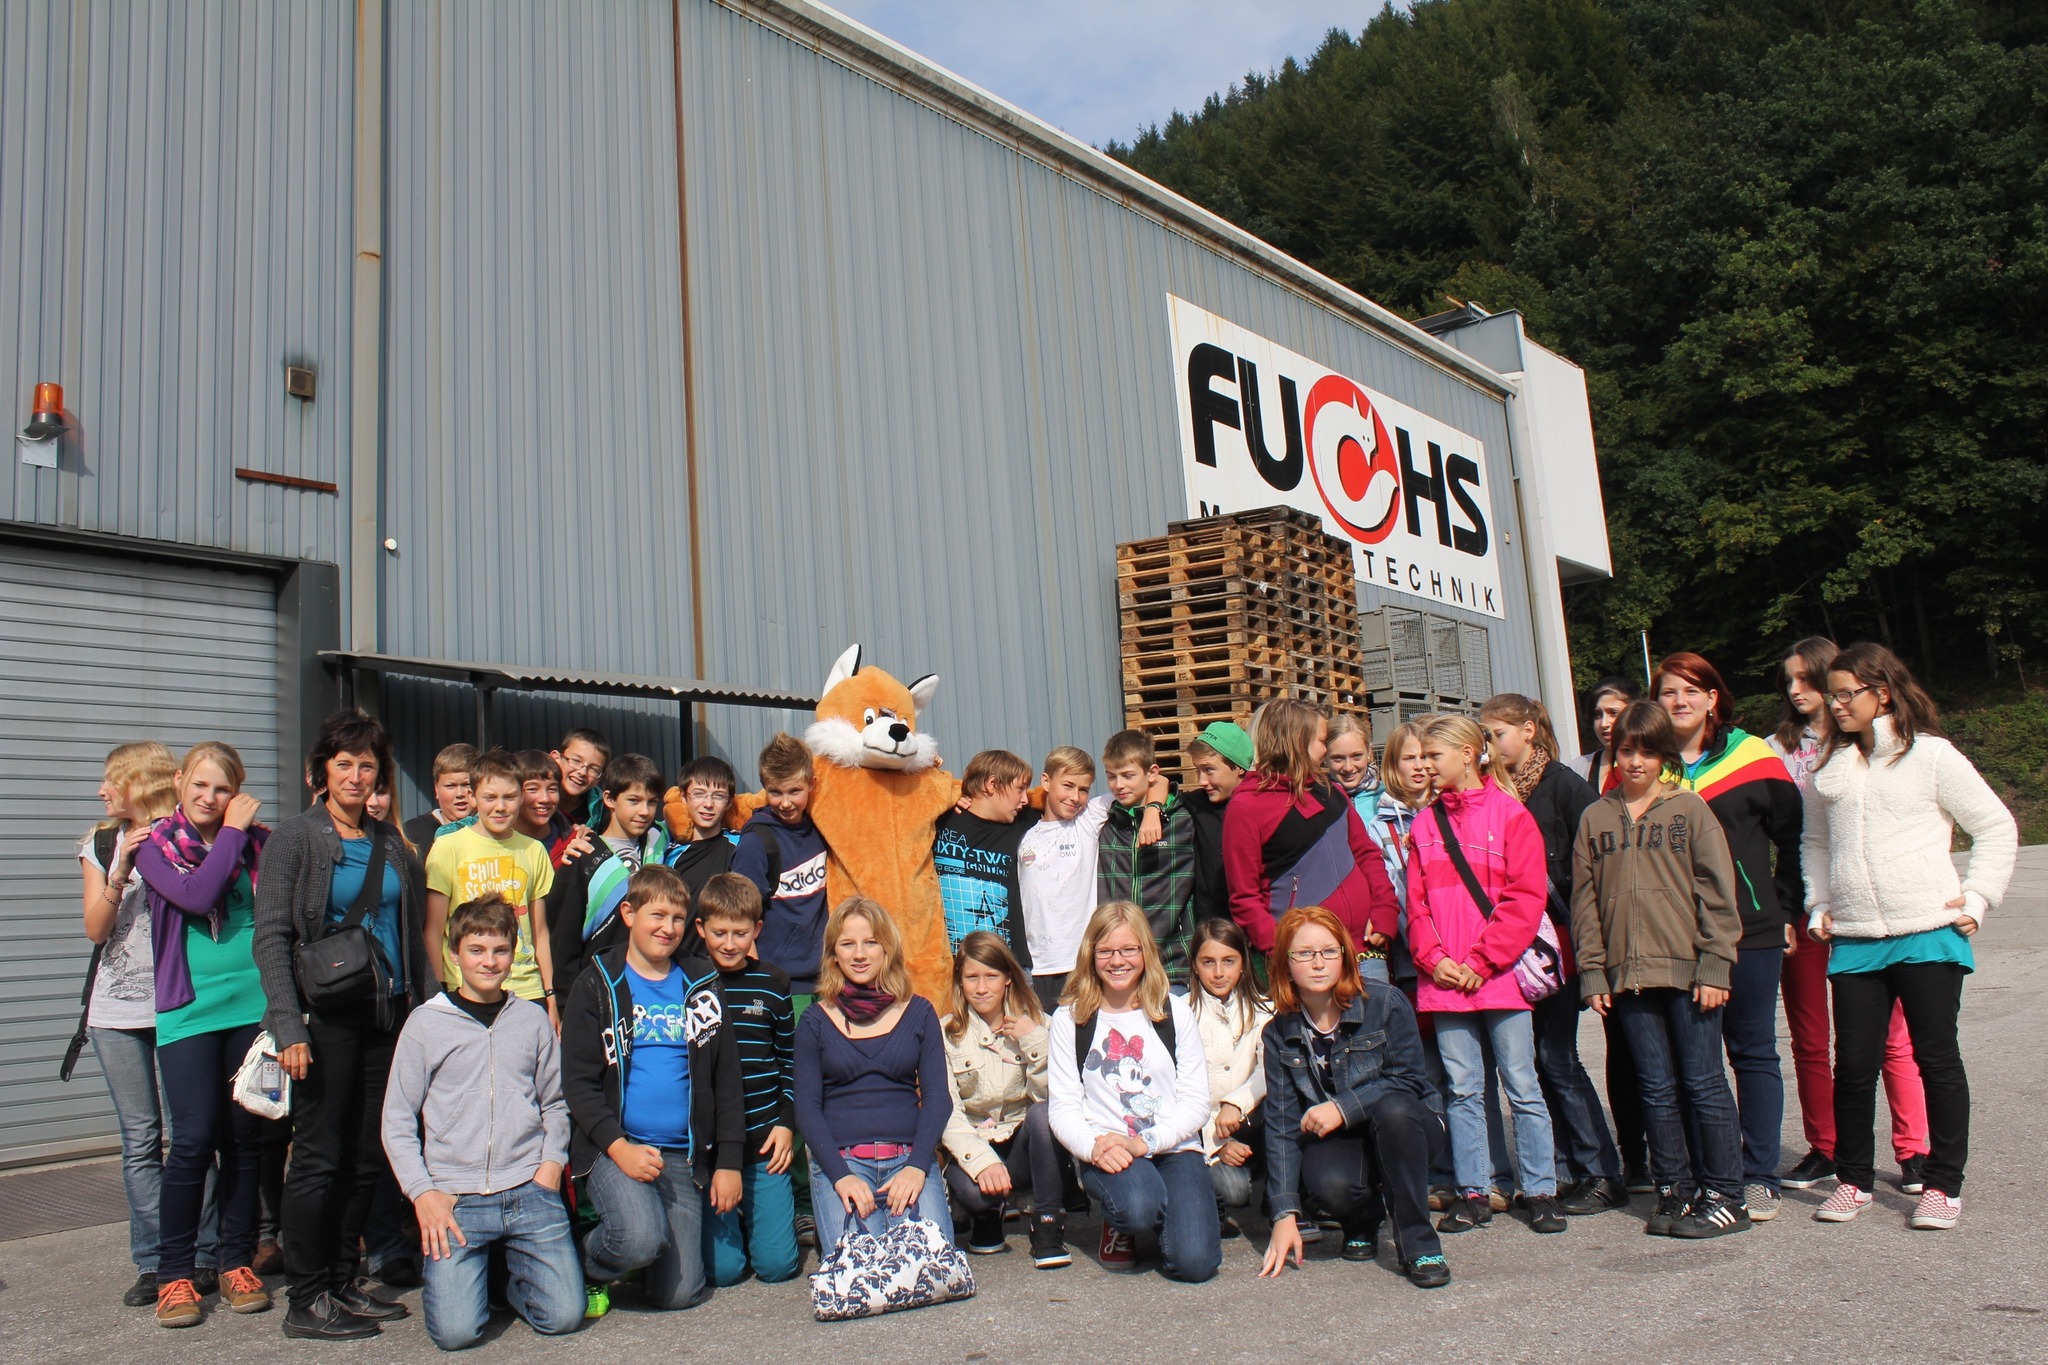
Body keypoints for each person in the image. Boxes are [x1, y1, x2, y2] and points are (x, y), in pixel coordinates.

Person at [1802, 643, 2017, 1230]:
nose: (1838, 704)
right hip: (1855, 938)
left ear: (1883, 693)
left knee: (1936, 1059)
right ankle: (1853, 1180)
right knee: (1854, 1067)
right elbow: (1815, 845)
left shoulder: (1933, 757)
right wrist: (1818, 902)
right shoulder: (1829, 771)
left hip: (1926, 929)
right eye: (1834, 694)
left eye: (1849, 693)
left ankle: (1943, 1185)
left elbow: (1995, 826)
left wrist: (1978, 897)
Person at [254, 709, 434, 1339]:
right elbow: (272, 938)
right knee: (318, 1158)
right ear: (321, 772)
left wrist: (426, 1016)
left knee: (366, 1157)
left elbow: (411, 938)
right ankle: (306, 1299)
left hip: (386, 1016)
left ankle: (342, 1279)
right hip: (323, 1018)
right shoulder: (295, 839)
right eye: (345, 764)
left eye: (367, 765)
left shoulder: (388, 840)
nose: (357, 776)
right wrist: (288, 1027)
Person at [1572, 701, 1750, 1238]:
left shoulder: (1689, 810)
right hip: (1627, 978)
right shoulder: (1595, 818)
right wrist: (1593, 972)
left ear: (1664, 758)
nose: (1635, 762)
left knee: (1703, 1082)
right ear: (1613, 752)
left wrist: (1716, 965)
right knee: (1654, 1087)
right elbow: (1585, 904)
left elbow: (1719, 893)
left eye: (1648, 752)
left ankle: (1725, 1195)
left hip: (1691, 974)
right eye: (1626, 750)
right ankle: (1675, 1190)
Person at [381, 893, 583, 1350]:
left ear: (515, 954)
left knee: (564, 1316)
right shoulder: (425, 1025)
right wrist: (423, 1192)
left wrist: (550, 1165)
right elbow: (396, 1119)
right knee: (456, 1334)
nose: (489, 962)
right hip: (456, 1199)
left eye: (500, 950)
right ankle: (483, 1276)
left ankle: (507, 1282)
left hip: (529, 1188)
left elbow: (555, 1102)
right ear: (454, 954)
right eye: (476, 950)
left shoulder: (531, 1020)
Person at [1768, 637, 1930, 1193]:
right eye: (1788, 682)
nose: (1796, 692)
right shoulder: (1773, 749)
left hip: (1870, 911)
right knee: (1811, 1038)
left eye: (1807, 680)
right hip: (1806, 905)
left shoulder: (1865, 743)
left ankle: (1913, 1151)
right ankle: (1826, 1148)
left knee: (1890, 1038)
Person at [1654, 651, 1802, 1220]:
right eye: (1669, 692)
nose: (1681, 701)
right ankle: (1710, 1170)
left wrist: (1787, 907)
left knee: (1753, 1051)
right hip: (1677, 935)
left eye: (1693, 691)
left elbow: (1792, 838)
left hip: (1752, 929)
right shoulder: (1649, 766)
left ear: (1714, 697)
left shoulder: (1753, 756)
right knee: (1695, 1061)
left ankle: (1760, 1173)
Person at [1404, 715, 1564, 1235]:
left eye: (1434, 755)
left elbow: (1524, 898)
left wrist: (1479, 962)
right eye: (1422, 756)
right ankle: (1474, 1191)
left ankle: (1540, 1190)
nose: (1424, 765)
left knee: (1521, 1084)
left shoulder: (1511, 816)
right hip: (1447, 978)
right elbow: (1416, 904)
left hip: (1496, 976)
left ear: (1470, 754)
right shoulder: (1425, 824)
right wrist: (1435, 959)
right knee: (1463, 1088)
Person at [133, 741, 273, 1328]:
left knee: (245, 1137)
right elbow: (198, 895)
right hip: (189, 1009)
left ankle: (236, 1262)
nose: (211, 799)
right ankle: (175, 1274)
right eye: (201, 786)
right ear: (180, 782)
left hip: (252, 1003)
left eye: (223, 789)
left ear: (236, 789)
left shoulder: (259, 843)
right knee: (191, 1140)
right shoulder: (154, 848)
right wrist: (235, 835)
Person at [562, 865, 743, 1316]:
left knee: (678, 1295)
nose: (668, 928)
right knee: (637, 1240)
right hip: (617, 1149)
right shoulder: (597, 984)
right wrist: (618, 1147)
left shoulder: (701, 983)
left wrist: (728, 1162)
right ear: (628, 913)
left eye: (679, 918)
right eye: (657, 916)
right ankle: (589, 1263)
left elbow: (727, 1077)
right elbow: (578, 1084)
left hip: (680, 1154)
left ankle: (646, 1245)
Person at [79, 741, 212, 1308]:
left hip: (180, 1002)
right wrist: (122, 868)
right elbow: (94, 928)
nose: (103, 791)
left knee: (194, 1134)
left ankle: (202, 1255)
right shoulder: (102, 841)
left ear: (139, 781)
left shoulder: (187, 836)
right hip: (115, 1012)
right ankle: (156, 1261)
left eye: (112, 780)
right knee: (140, 1139)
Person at [1479, 694, 1622, 1216]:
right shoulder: (1495, 790)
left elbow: (1595, 870)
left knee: (1555, 1058)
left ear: (1530, 731)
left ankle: (1601, 1170)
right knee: (1536, 1061)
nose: (1487, 744)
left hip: (1556, 944)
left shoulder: (1564, 787)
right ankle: (1567, 1168)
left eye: (1496, 733)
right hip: (1514, 946)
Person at [1258, 905, 1450, 1288]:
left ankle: (1418, 1242)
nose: (1318, 963)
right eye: (1304, 953)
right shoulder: (1278, 1033)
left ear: (1345, 956)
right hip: (1346, 1140)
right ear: (1284, 963)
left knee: (1394, 1111)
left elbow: (1409, 1081)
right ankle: (1362, 1218)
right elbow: (1280, 1125)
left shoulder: (1385, 1002)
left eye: (1329, 951)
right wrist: (1284, 1215)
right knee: (1326, 1181)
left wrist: (1342, 1108)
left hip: (1410, 1127)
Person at [1047, 902, 1220, 1282]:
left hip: (1173, 1146)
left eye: (1128, 949)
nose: (1117, 960)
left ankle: (1170, 1218)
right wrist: (1093, 1147)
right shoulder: (1070, 1019)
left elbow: (1195, 1102)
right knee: (1138, 1207)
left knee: (1194, 1265)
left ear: (1145, 951)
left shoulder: (1174, 1011)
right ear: (1090, 956)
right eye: (1105, 951)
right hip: (1110, 1151)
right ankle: (1124, 1220)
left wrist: (1149, 1141)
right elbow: (1063, 1108)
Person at [793, 896, 955, 1245]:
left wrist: (917, 1166)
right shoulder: (814, 1021)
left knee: (928, 1264)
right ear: (833, 954)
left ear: (887, 949)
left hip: (908, 1161)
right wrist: (840, 1176)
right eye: (847, 944)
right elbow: (806, 1108)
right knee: (861, 1274)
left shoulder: (919, 1012)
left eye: (871, 942)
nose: (860, 954)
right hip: (844, 1165)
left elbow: (939, 1098)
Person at [1221, 699, 1397, 975]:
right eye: (1322, 741)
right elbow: (1244, 895)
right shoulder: (1246, 807)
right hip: (1306, 961)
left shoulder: (1333, 793)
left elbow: (1368, 855)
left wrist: (1385, 910)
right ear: (1296, 742)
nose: (1326, 750)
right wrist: (1279, 949)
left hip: (1364, 948)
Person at [693, 873, 802, 1287]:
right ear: (701, 928)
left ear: (756, 929)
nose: (729, 943)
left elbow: (789, 1059)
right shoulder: (691, 983)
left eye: (740, 933)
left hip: (765, 1138)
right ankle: (731, 1215)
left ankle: (765, 1210)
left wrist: (786, 1122)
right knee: (724, 1272)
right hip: (714, 1145)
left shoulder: (774, 984)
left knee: (776, 1268)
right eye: (718, 932)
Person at [938, 932, 1067, 1267]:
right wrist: (983, 1163)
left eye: (991, 976)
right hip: (975, 1142)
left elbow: (1054, 1100)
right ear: (960, 981)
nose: (981, 988)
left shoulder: (1039, 1024)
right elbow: (947, 1113)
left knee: (1044, 1114)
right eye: (972, 977)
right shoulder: (944, 1033)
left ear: (1008, 978)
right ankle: (986, 1215)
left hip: (1023, 1144)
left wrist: (1035, 1044)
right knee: (975, 1195)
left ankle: (1048, 1221)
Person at [422, 750, 557, 1025]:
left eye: (509, 797)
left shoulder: (534, 850)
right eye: (490, 798)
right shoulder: (448, 847)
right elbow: (433, 931)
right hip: (464, 990)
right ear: (473, 798)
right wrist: (439, 992)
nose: (500, 807)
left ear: (521, 796)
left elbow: (540, 931)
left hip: (526, 990)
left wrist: (550, 995)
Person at [549, 754, 671, 1002]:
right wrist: (567, 1005)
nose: (644, 811)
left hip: (654, 990)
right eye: (634, 801)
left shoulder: (660, 841)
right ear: (609, 799)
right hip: (598, 990)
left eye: (651, 802)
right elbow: (563, 945)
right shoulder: (582, 856)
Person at [1185, 919, 1270, 1238]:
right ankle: (1209, 1202)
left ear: (1243, 963)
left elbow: (1267, 1070)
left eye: (1228, 961)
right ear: (1194, 966)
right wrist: (1215, 1144)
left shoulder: (1265, 1012)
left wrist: (1235, 1104)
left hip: (1252, 1123)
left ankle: (1284, 1201)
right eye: (1208, 962)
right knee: (1233, 1190)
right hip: (1200, 1130)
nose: (1219, 972)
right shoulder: (1180, 1013)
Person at [1096, 730, 1202, 982]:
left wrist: (1154, 810)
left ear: (1152, 773)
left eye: (1128, 775)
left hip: (1171, 964)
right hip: (1118, 964)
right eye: (1111, 776)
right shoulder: (1103, 820)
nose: (1118, 785)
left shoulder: (1184, 820)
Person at [732, 733, 830, 1000]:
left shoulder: (823, 828)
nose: (785, 803)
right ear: (765, 787)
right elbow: (741, 915)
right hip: (780, 983)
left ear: (812, 784)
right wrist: (757, 980)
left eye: (794, 791)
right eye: (775, 792)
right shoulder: (756, 841)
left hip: (827, 978)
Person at [1017, 746, 1115, 1012]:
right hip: (1033, 967)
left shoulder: (1087, 822)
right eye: (1068, 786)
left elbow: (1142, 783)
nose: (1075, 797)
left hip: (1079, 964)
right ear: (1046, 782)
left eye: (1084, 789)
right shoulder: (1022, 831)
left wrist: (1153, 809)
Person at [934, 749, 1037, 960]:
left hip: (1008, 965)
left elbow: (1058, 796)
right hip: (946, 965)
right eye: (1020, 789)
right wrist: (931, 770)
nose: (1025, 799)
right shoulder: (940, 818)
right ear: (992, 784)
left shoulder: (1024, 822)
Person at [1185, 721, 1254, 926]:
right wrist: (1154, 808)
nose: (1201, 781)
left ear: (1239, 767)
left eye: (1209, 770)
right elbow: (1162, 785)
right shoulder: (1197, 804)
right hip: (1209, 929)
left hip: (1252, 931)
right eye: (1198, 770)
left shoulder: (1262, 807)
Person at [663, 756, 741, 907]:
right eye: (699, 794)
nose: (709, 804)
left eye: (718, 796)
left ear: (729, 802)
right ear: (684, 797)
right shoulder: (667, 850)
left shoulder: (741, 844)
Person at [1568, 677, 1638, 791]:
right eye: (1597, 715)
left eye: (1613, 713)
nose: (1604, 723)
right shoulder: (1578, 769)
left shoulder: (1658, 766)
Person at [403, 744, 477, 853]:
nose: (460, 794)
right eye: (451, 786)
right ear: (436, 790)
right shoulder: (412, 833)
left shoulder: (495, 830)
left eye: (467, 784)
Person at [550, 727, 612, 830]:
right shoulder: (531, 797)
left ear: (599, 779)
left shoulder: (602, 811)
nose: (582, 772)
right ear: (555, 759)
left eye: (593, 769)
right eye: (576, 761)